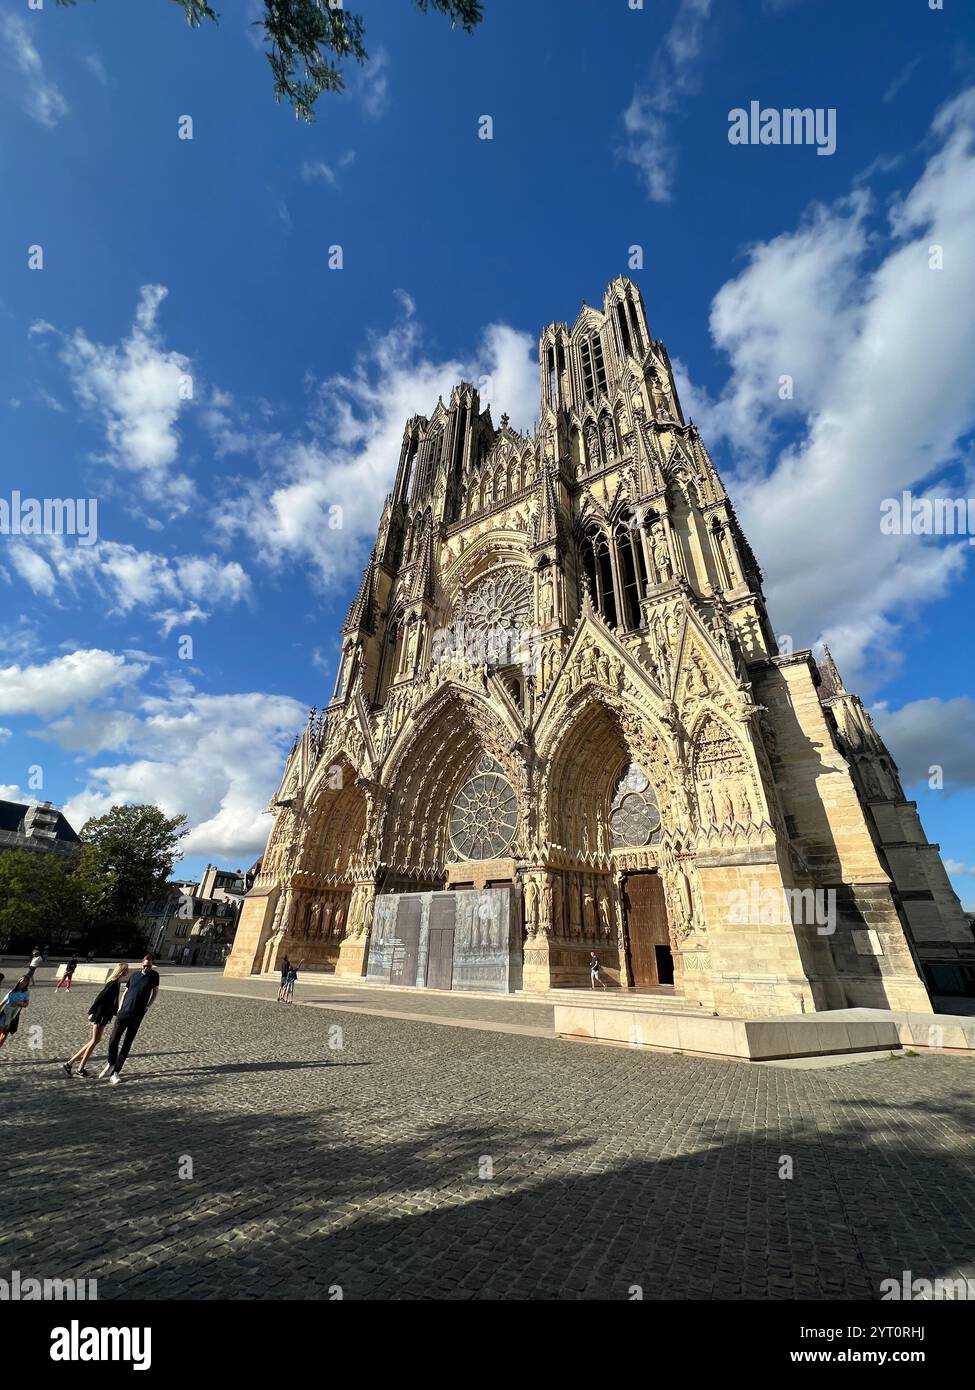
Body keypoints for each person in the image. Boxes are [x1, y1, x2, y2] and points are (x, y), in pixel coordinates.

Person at [99, 955, 159, 1085]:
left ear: (152, 965)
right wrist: (120, 1006)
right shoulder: (134, 975)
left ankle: (116, 1071)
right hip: (124, 1011)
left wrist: (148, 1006)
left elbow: (155, 992)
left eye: (149, 966)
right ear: (141, 964)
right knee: (113, 1040)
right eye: (144, 965)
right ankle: (111, 1062)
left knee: (127, 1043)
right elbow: (126, 991)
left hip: (138, 1014)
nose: (146, 968)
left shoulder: (154, 976)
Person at [63, 964, 129, 1077]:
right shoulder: (112, 983)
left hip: (105, 1015)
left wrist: (116, 1011)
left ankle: (70, 1064)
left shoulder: (117, 983)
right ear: (121, 971)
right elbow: (100, 998)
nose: (127, 972)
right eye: (126, 970)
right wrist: (91, 1012)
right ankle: (79, 1068)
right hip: (100, 1015)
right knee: (94, 1041)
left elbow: (114, 1001)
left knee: (95, 1040)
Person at [0, 976, 32, 1050]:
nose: (22, 982)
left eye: (25, 981)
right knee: (0, 1030)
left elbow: (26, 1004)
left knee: (4, 1034)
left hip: (14, 1015)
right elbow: (2, 1003)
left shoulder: (26, 993)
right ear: (19, 980)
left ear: (27, 983)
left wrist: (20, 1003)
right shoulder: (12, 992)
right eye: (21, 980)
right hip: (5, 1014)